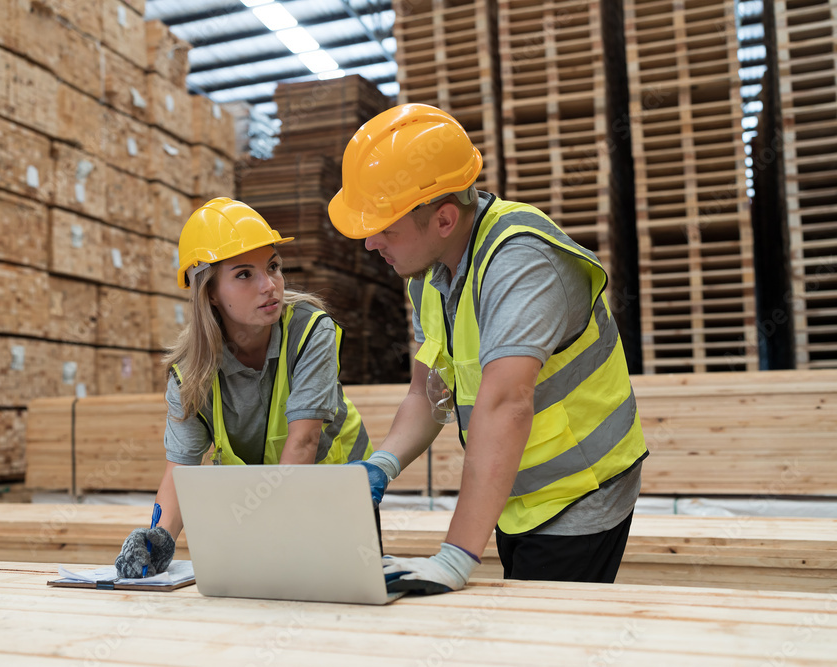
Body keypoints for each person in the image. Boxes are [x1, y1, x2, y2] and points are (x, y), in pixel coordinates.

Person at [327, 104, 648, 594]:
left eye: (385, 227)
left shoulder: (521, 261)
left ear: (444, 218)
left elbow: (506, 403)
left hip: (579, 490)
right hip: (518, 492)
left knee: (541, 641)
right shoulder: (431, 274)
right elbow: (427, 392)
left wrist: (455, 557)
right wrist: (382, 463)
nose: (371, 243)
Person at [115, 197, 388, 578]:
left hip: (338, 492)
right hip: (264, 504)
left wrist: (271, 536)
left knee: (339, 608)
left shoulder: (310, 331)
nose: (269, 285)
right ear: (209, 291)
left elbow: (304, 441)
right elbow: (181, 469)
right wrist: (159, 537)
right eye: (245, 274)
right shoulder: (190, 373)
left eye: (273, 267)